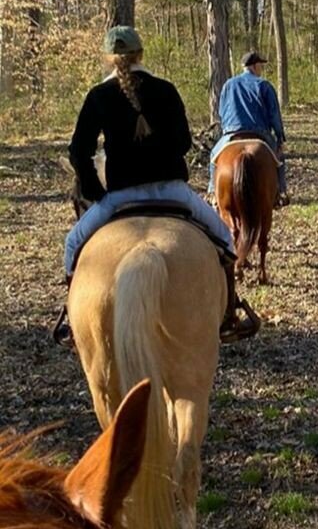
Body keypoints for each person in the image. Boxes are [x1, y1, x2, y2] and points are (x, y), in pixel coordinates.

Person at [57, 26, 258, 344]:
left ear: (110, 59)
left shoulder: (98, 96)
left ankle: (72, 323)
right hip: (172, 192)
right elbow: (182, 143)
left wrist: (97, 192)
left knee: (73, 245)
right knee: (223, 239)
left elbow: (78, 152)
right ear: (141, 53)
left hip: (120, 196)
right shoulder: (165, 89)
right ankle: (229, 315)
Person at [208, 52, 289, 206]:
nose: (261, 69)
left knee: (213, 157)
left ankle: (212, 192)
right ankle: (281, 192)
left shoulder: (228, 85)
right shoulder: (264, 85)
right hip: (259, 133)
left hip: (232, 132)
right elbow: (274, 115)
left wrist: (228, 128)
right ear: (254, 66)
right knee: (279, 158)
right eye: (260, 66)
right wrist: (280, 137)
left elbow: (222, 112)